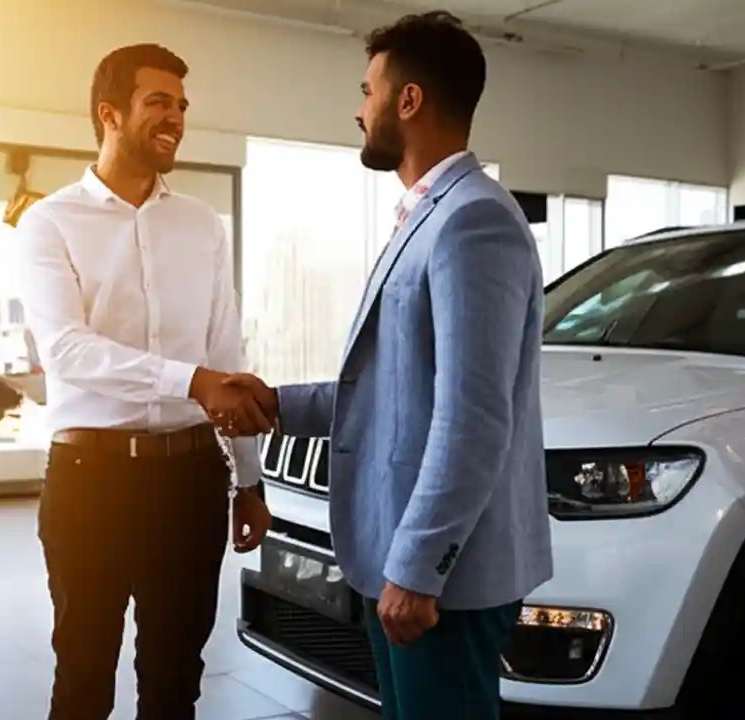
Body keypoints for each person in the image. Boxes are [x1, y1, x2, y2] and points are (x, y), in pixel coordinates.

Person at [221, 11, 553, 719]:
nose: (358, 109)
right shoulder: (426, 216)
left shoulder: (474, 220)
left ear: (409, 101)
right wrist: (274, 402)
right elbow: (390, 389)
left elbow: (473, 415)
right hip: (398, 558)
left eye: (368, 90)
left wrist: (417, 566)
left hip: (444, 579)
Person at [14, 43, 273, 720]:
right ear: (110, 114)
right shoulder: (49, 223)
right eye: (159, 102)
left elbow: (225, 351)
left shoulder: (202, 225)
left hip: (189, 483)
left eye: (182, 106)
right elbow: (67, 351)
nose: (177, 118)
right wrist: (190, 381)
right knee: (83, 678)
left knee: (174, 683)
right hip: (89, 481)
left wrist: (248, 482)